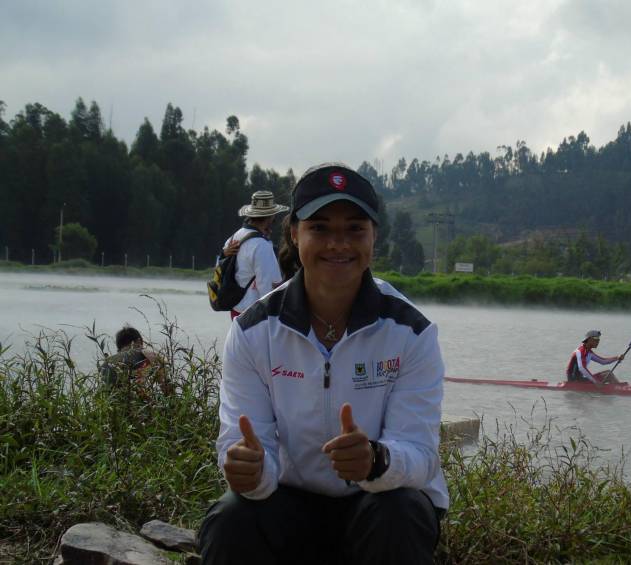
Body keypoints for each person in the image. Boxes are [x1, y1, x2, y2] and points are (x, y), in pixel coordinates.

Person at [198, 163, 447, 564]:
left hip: (376, 503)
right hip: (290, 504)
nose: (338, 244)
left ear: (374, 236)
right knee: (231, 518)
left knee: (399, 512)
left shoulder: (411, 332)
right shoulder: (252, 332)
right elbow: (242, 443)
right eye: (320, 228)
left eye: (355, 229)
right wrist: (252, 470)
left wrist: (376, 460)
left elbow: (421, 454)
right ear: (294, 233)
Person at [222, 190, 289, 319]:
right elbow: (267, 288)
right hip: (254, 313)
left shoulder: (236, 236)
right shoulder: (261, 245)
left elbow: (222, 260)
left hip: (236, 309)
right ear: (270, 216)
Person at [100, 325, 169, 394]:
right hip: (134, 398)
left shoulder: (106, 363)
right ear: (139, 341)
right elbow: (166, 386)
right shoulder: (147, 354)